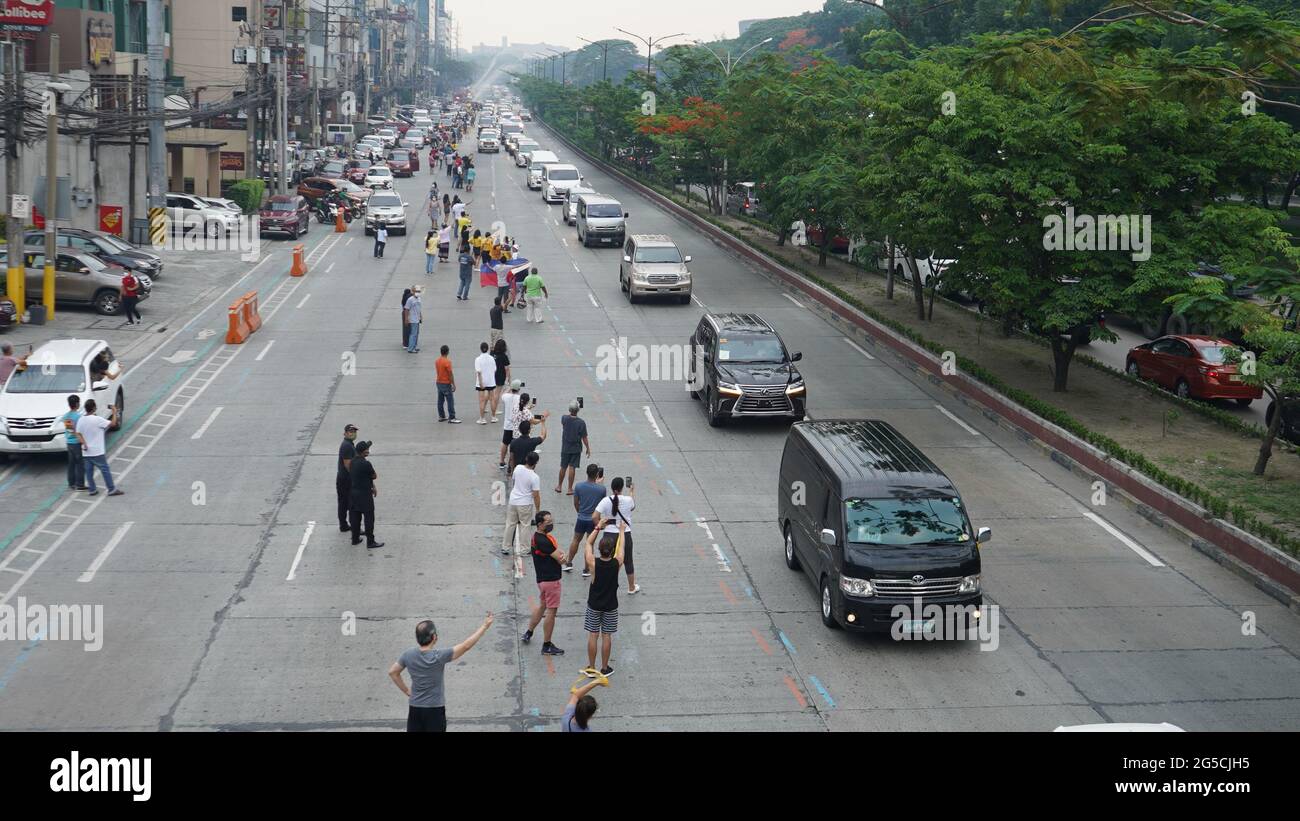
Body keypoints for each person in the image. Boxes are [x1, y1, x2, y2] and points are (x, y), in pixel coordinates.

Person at [388, 613, 494, 732]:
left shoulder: (408, 654)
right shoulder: (439, 656)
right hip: (435, 710)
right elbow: (466, 646)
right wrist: (485, 626)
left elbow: (393, 672)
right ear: (434, 637)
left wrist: (407, 691)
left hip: (415, 708)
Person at [582, 520, 625, 678]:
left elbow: (588, 543)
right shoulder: (617, 563)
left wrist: (598, 526)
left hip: (594, 604)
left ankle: (592, 667)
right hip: (611, 605)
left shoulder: (593, 563)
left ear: (599, 550)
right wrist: (621, 531)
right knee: (607, 635)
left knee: (593, 634)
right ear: (612, 551)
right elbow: (622, 549)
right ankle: (605, 668)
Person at [521, 510, 565, 655]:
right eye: (548, 522)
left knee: (542, 606)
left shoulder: (536, 537)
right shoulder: (544, 541)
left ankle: (529, 632)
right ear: (540, 524)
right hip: (551, 580)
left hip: (542, 580)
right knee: (551, 611)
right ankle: (547, 644)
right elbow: (561, 558)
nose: (551, 524)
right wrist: (564, 557)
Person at [75, 399, 123, 497]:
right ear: (93, 408)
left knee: (89, 472)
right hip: (97, 451)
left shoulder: (81, 419)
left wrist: (84, 443)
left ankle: (92, 489)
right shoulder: (97, 419)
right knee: (105, 469)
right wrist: (114, 412)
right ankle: (111, 489)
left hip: (86, 451)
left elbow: (78, 433)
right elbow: (113, 424)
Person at [568, 464, 605, 574]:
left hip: (581, 518)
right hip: (593, 520)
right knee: (589, 544)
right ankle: (586, 568)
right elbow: (602, 505)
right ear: (597, 474)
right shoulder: (602, 489)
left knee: (575, 540)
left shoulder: (579, 486)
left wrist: (580, 512)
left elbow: (576, 502)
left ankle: (569, 562)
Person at [503, 451, 542, 556]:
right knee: (525, 525)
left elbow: (514, 482)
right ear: (536, 463)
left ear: (526, 459)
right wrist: (538, 510)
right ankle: (524, 549)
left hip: (513, 500)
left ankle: (505, 547)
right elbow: (536, 495)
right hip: (525, 503)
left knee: (510, 524)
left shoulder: (518, 468)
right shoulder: (534, 477)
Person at [348, 440, 383, 548]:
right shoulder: (366, 463)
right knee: (369, 518)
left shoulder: (352, 462)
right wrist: (371, 484)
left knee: (355, 517)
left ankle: (355, 538)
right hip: (365, 495)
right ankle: (370, 541)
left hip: (353, 494)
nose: (368, 450)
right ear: (363, 451)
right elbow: (374, 476)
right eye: (367, 449)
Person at [556, 401, 591, 494]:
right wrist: (588, 447)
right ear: (578, 410)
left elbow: (564, 425)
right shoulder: (581, 423)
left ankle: (559, 486)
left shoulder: (564, 418)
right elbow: (584, 438)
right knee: (572, 467)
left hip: (565, 447)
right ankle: (569, 488)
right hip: (576, 448)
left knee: (563, 467)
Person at [60, 395, 86, 491]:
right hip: (76, 443)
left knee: (71, 464)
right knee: (79, 464)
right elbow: (79, 431)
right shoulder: (78, 417)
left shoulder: (66, 416)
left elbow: (70, 430)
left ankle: (71, 483)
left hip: (69, 442)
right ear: (77, 404)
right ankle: (80, 484)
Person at [337, 423, 359, 532]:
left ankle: (344, 525)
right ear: (345, 433)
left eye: (354, 431)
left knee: (343, 503)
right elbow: (348, 465)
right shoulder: (346, 446)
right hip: (346, 480)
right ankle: (352, 527)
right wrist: (357, 478)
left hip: (343, 478)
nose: (353, 433)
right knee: (350, 504)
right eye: (350, 431)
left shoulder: (349, 444)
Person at [498, 380, 523, 470]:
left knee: (505, 443)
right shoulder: (520, 398)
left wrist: (509, 388)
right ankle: (512, 462)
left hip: (507, 425)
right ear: (519, 389)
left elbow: (502, 394)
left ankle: (501, 460)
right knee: (515, 444)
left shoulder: (506, 397)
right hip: (517, 425)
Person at [473, 341, 497, 424]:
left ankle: (482, 418)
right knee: (492, 399)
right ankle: (493, 417)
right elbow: (494, 369)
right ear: (487, 349)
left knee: (482, 400)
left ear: (480, 349)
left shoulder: (478, 359)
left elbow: (478, 372)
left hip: (482, 382)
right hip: (491, 381)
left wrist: (480, 383)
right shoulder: (492, 358)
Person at [435, 345, 460, 423]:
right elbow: (450, 374)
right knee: (450, 400)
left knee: (440, 400)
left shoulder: (437, 361)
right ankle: (452, 417)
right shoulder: (447, 362)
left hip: (439, 382)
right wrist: (453, 384)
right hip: (446, 383)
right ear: (447, 352)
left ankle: (441, 416)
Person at [490, 339, 510, 420]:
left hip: (491, 375)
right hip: (500, 376)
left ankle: (490, 408)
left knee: (491, 392)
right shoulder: (504, 356)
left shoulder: (492, 353)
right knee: (497, 394)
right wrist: (508, 378)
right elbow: (507, 368)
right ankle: (494, 411)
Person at [404, 286, 423, 353]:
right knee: (413, 334)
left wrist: (420, 316)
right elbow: (406, 309)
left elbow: (419, 308)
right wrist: (406, 319)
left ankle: (414, 346)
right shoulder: (410, 299)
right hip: (412, 319)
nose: (418, 293)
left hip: (417, 319)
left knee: (416, 333)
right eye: (417, 291)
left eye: (419, 291)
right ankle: (410, 348)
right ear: (413, 292)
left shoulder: (419, 299)